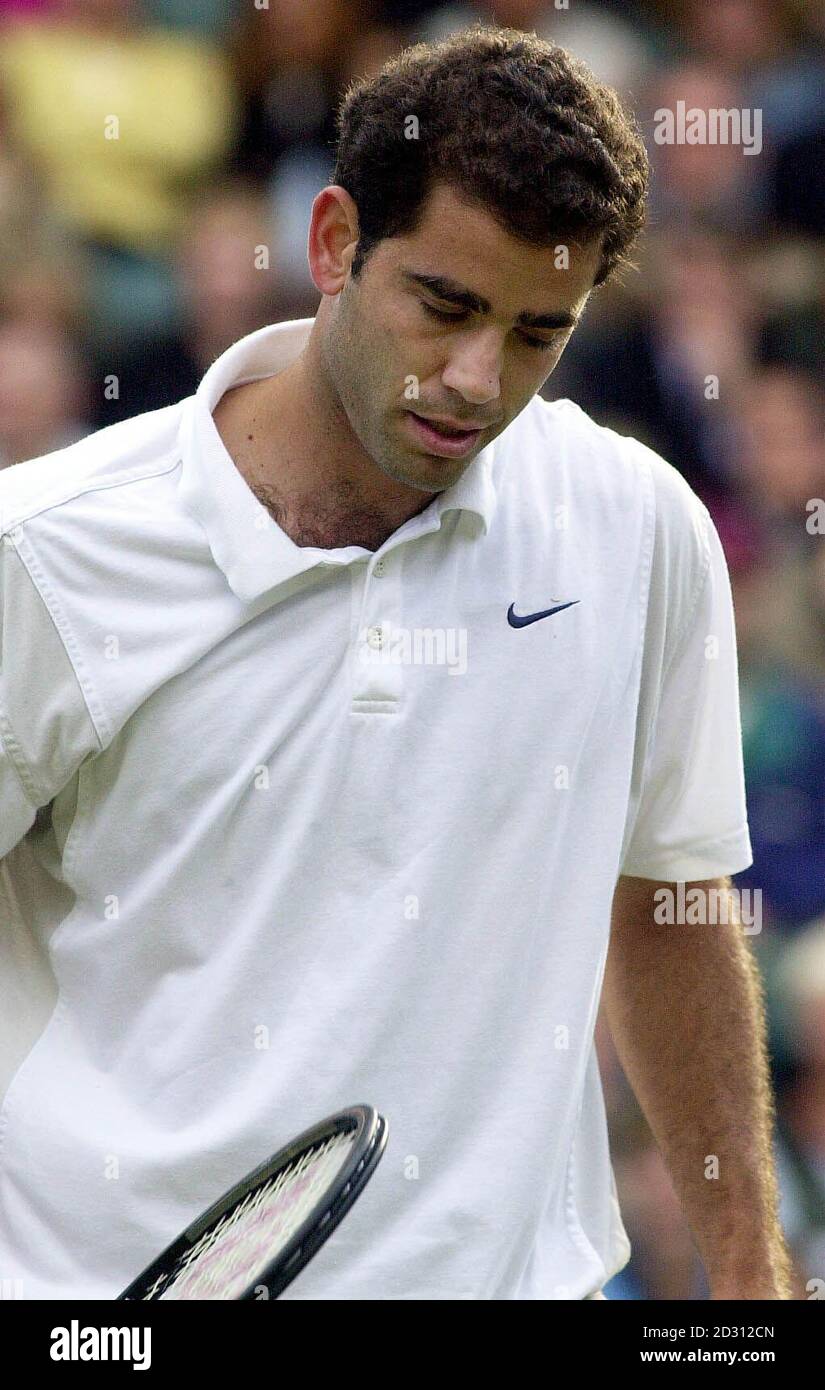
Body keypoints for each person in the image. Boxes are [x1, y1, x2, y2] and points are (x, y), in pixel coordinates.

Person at [0, 26, 791, 1300]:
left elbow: (671, 905)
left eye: (541, 333)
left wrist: (757, 1282)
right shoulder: (41, 553)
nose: (477, 382)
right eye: (445, 306)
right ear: (331, 244)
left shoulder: (638, 529)